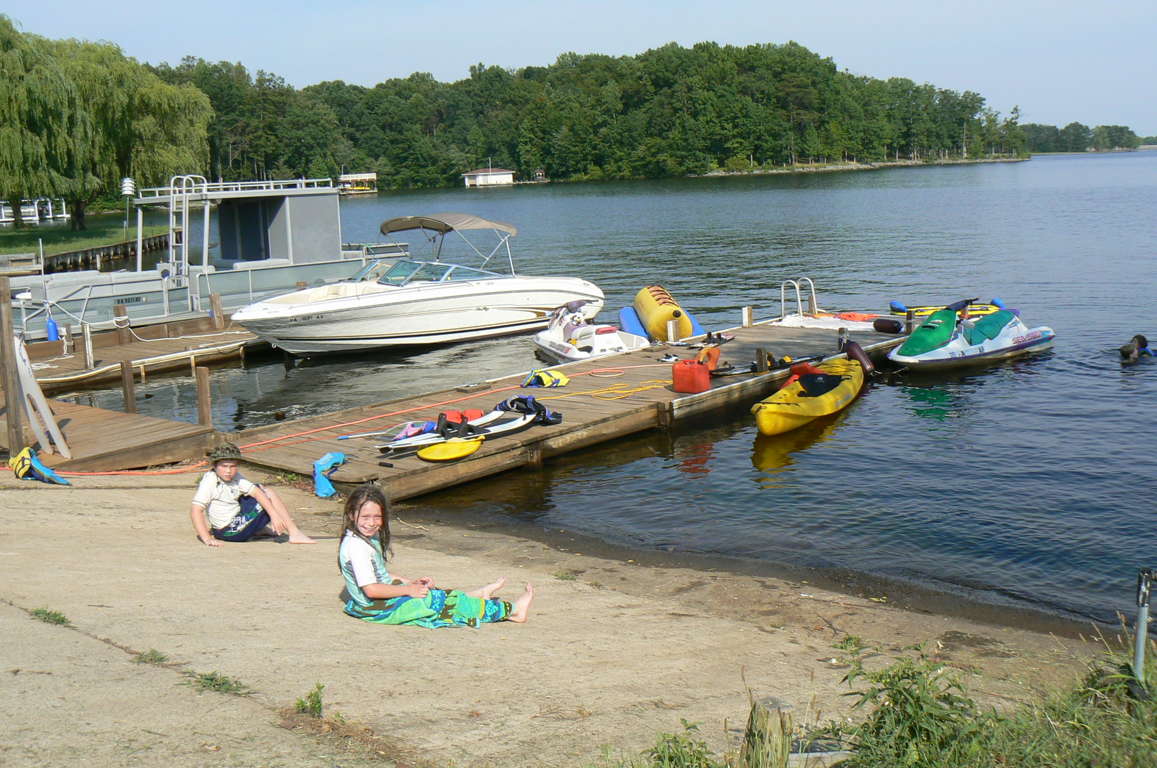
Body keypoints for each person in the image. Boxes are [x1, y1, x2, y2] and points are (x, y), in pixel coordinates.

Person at [338, 484, 532, 627]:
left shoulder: (363, 539)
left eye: (377, 516)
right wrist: (408, 591)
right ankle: (514, 611)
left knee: (436, 594)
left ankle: (479, 595)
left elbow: (380, 575)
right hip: (376, 607)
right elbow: (371, 590)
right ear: (351, 514)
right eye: (365, 517)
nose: (371, 523)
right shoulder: (357, 547)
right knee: (444, 604)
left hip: (372, 602)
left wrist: (410, 583)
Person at [189, 443, 316, 546]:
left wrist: (275, 515)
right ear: (215, 466)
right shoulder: (210, 481)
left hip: (235, 518)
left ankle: (262, 529)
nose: (228, 471)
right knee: (268, 496)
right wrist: (206, 538)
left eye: (232, 466)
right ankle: (294, 533)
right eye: (224, 466)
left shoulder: (236, 477)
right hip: (229, 531)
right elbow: (196, 510)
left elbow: (256, 492)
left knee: (261, 490)